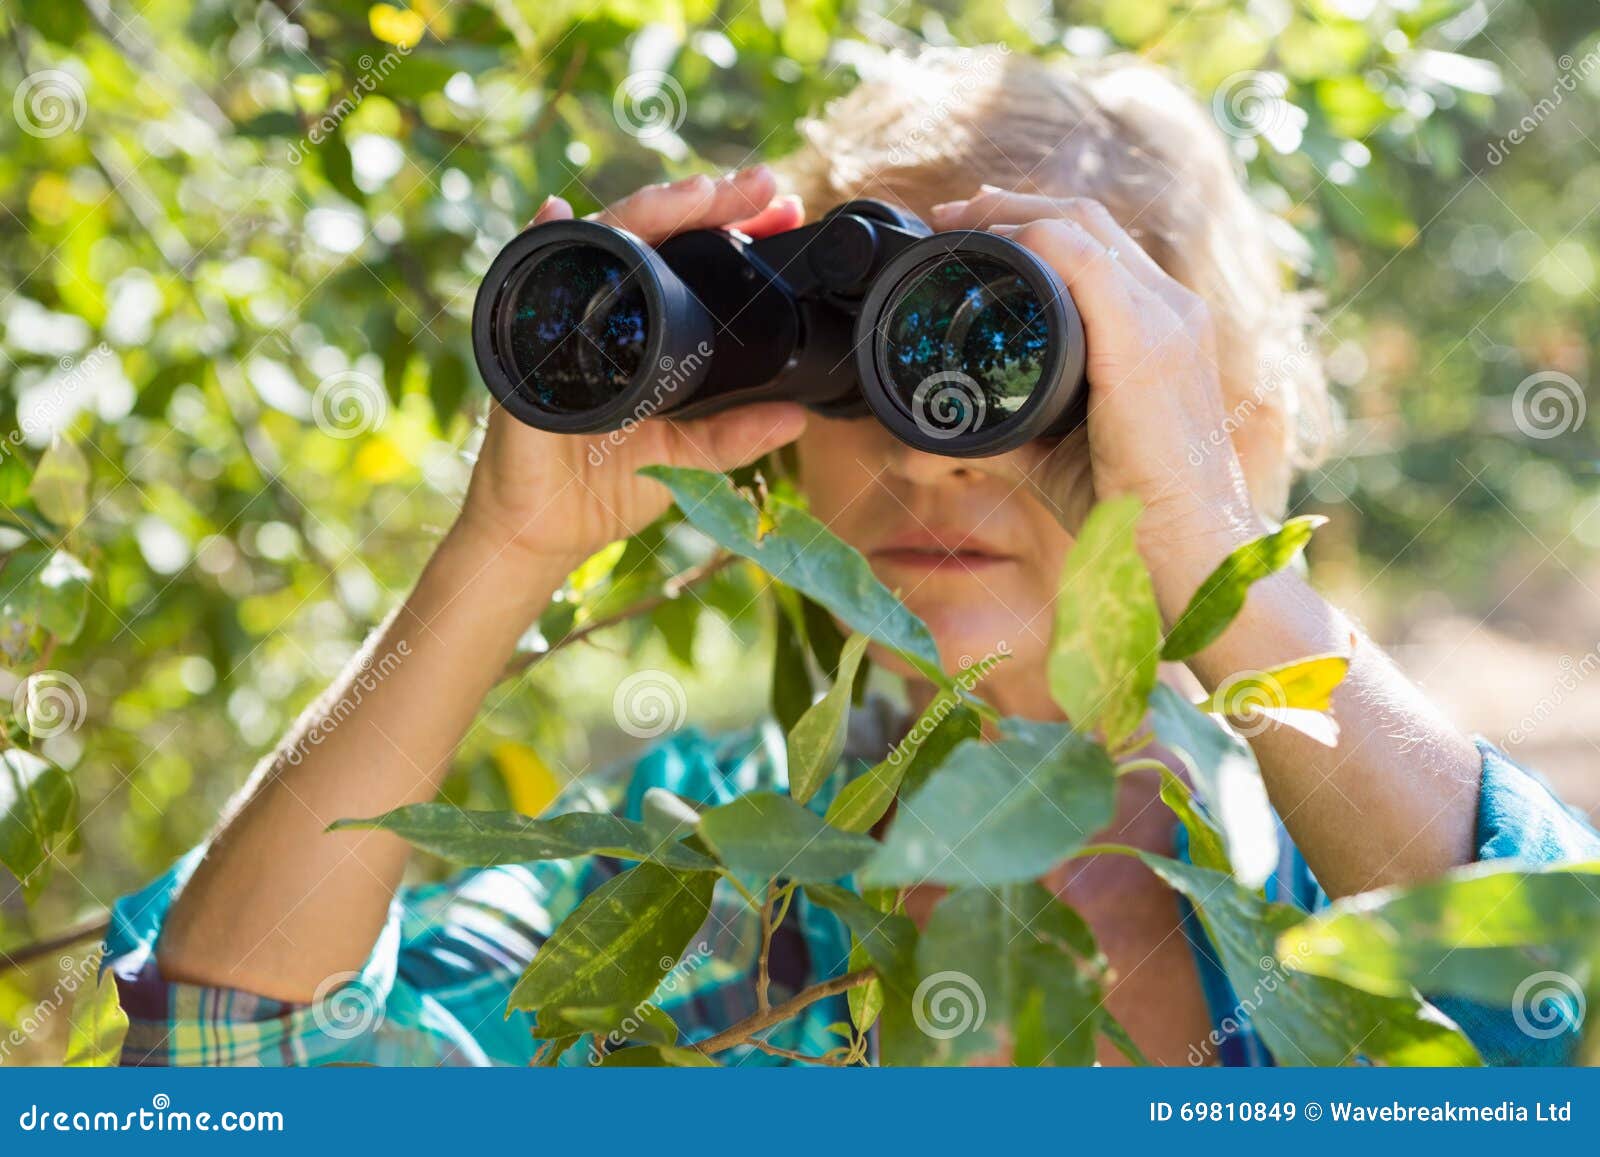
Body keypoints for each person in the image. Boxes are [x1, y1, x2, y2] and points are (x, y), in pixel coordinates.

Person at [106, 48, 1598, 1067]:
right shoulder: (688, 861)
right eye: (857, 362)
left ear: (1233, 428)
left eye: (1024, 355)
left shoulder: (1330, 872)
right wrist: (502, 550)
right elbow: (219, 1067)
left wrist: (1214, 555)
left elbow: (1558, 1017)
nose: (933, 449)